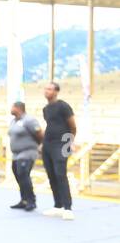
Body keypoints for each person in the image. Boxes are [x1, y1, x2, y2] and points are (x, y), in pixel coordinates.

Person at [40, 82, 77, 220]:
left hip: (61, 145)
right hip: (48, 145)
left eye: (49, 89)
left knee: (60, 174)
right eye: (45, 89)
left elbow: (73, 126)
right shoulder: (46, 109)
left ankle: (68, 208)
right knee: (51, 175)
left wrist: (70, 142)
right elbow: (50, 125)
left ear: (56, 92)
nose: (46, 91)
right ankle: (58, 205)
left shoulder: (63, 106)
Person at [7, 101, 42, 211]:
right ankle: (24, 199)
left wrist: (40, 146)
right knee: (18, 175)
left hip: (27, 152)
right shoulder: (14, 121)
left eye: (12, 107)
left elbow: (39, 134)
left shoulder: (29, 120)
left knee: (23, 173)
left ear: (18, 108)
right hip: (16, 154)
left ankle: (31, 200)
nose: (11, 109)